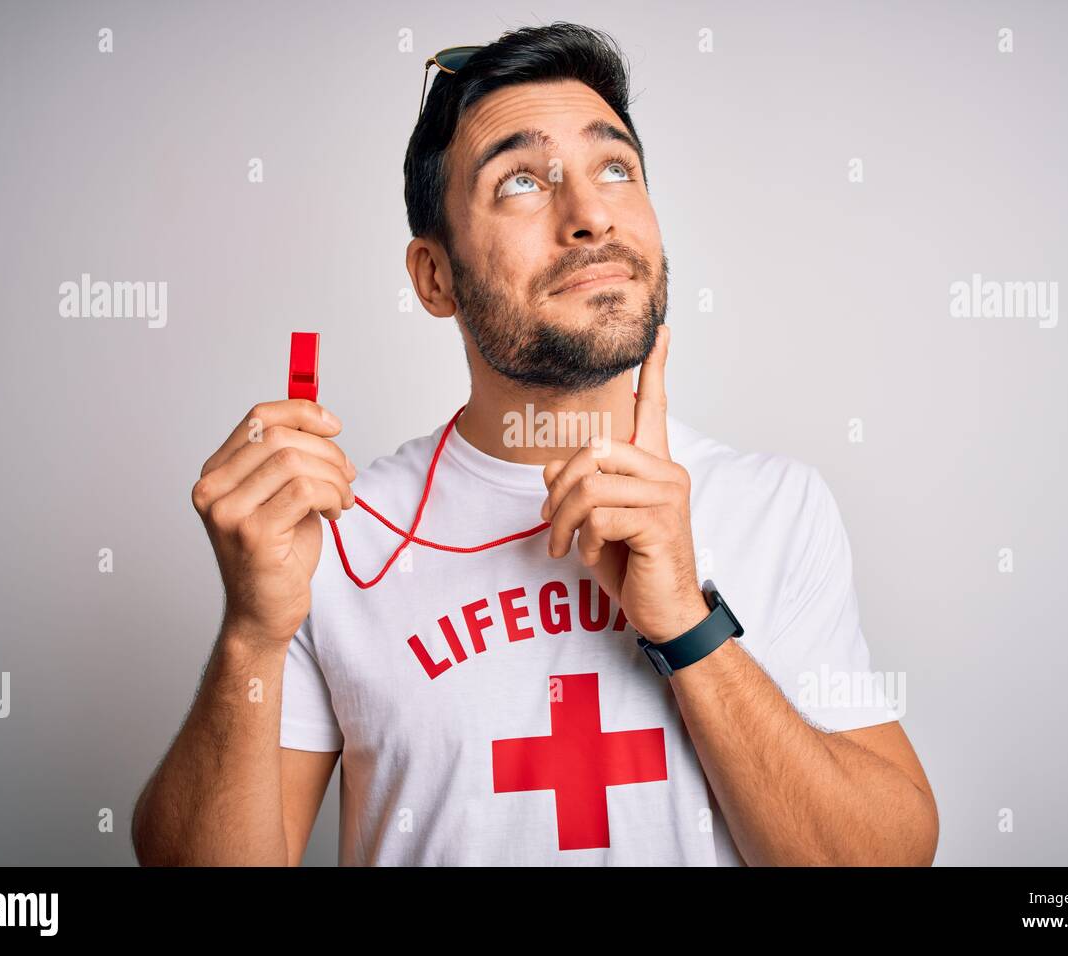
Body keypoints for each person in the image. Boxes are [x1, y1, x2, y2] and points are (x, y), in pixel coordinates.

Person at [132, 22, 938, 866]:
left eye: (615, 168)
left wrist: (688, 629)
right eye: (520, 181)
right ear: (434, 277)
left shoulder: (777, 505)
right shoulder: (333, 535)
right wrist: (251, 634)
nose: (590, 215)